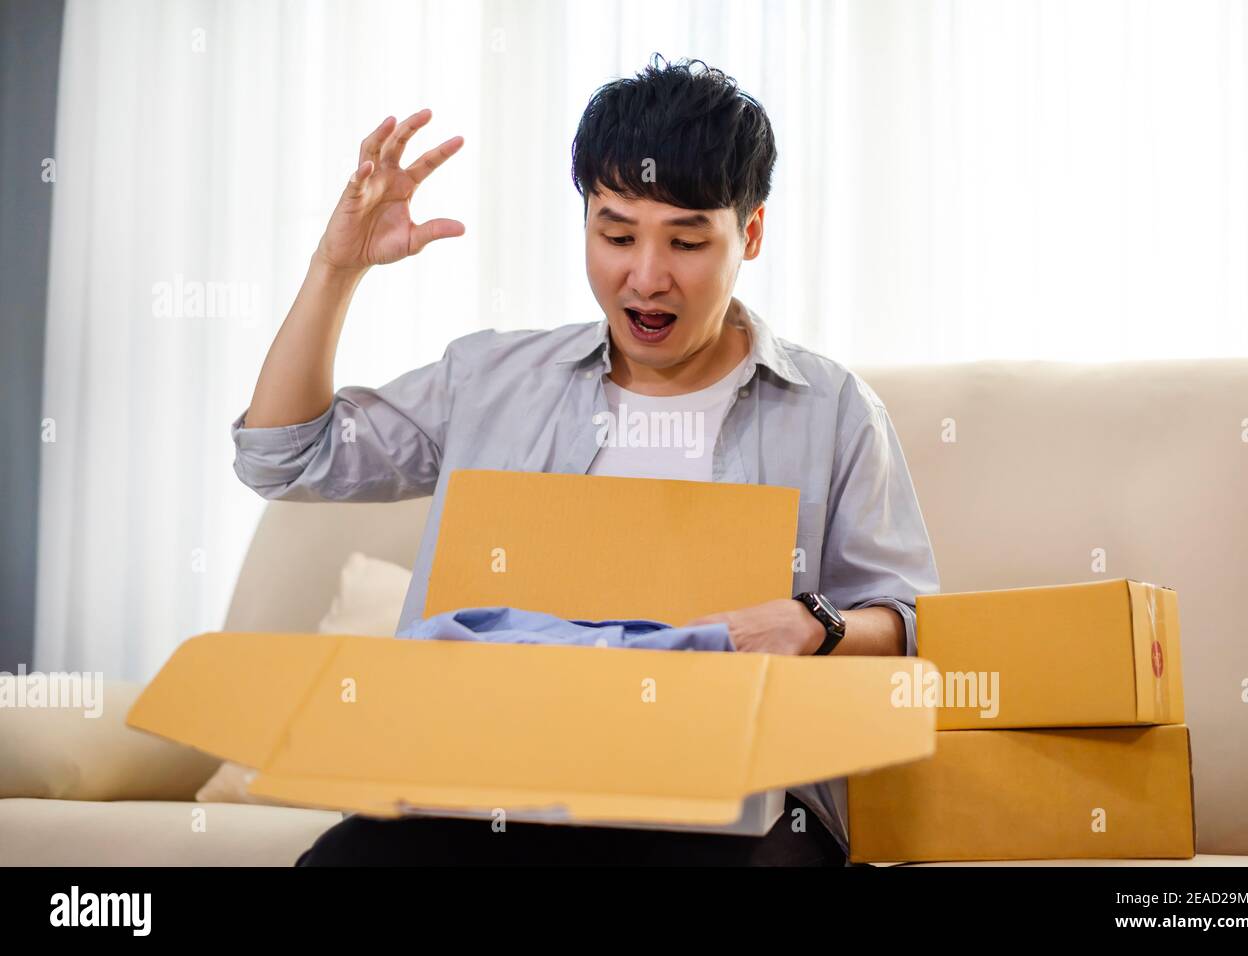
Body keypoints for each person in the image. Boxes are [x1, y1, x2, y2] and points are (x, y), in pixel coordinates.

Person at [232, 54, 940, 866]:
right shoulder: (492, 380)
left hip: (730, 802)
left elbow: (913, 625)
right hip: (491, 786)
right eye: (615, 235)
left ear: (749, 233)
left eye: (685, 240)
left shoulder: (831, 408)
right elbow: (281, 458)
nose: (646, 276)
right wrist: (336, 269)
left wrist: (814, 623)